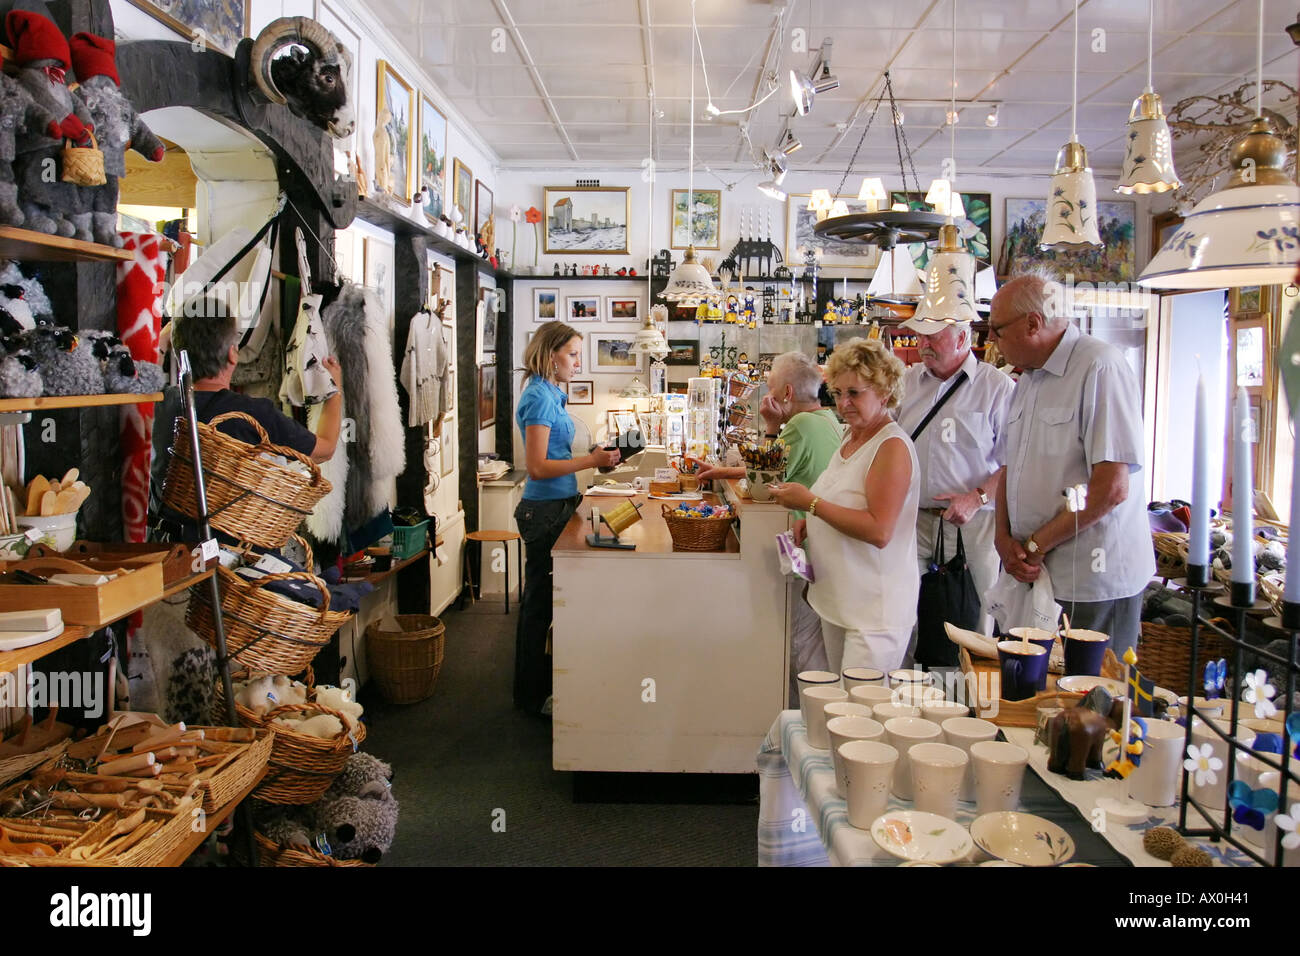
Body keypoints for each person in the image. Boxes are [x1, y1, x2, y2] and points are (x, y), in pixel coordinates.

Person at [989, 274, 1154, 657]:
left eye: (997, 330)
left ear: (1032, 323)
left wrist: (1034, 544)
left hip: (1088, 579)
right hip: (1030, 572)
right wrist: (1002, 538)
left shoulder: (1100, 367)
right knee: (1024, 696)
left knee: (1088, 702)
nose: (993, 342)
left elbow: (1110, 489)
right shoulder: (1027, 379)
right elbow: (1011, 468)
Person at [698, 352, 843, 702]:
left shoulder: (799, 426)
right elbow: (766, 468)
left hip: (799, 550)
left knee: (800, 644)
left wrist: (772, 426)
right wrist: (721, 472)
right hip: (819, 546)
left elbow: (763, 479)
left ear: (787, 393)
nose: (768, 392)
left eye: (772, 386)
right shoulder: (826, 420)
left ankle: (807, 718)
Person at [770, 339, 920, 673]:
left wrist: (811, 506)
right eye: (837, 394)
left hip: (873, 613)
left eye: (854, 393)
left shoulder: (891, 446)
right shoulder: (851, 437)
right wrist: (810, 524)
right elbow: (841, 500)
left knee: (861, 714)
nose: (844, 404)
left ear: (884, 391)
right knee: (840, 707)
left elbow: (880, 530)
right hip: (838, 600)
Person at [149, 298, 343, 532]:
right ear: (233, 354)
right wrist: (335, 390)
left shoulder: (158, 403)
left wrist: (170, 337)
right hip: (238, 550)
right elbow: (326, 449)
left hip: (168, 549)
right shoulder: (254, 414)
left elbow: (149, 367)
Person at [514, 321, 620, 716]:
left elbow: (558, 452)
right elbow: (539, 466)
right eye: (573, 354)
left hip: (557, 506)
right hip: (543, 510)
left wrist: (595, 454)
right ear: (550, 353)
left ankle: (538, 689)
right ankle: (530, 696)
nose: (578, 363)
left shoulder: (550, 395)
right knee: (540, 603)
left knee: (546, 600)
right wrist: (592, 460)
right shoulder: (541, 398)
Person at [896, 313, 1013, 643]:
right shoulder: (906, 383)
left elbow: (1015, 463)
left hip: (975, 526)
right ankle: (913, 689)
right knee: (907, 611)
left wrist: (977, 498)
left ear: (962, 339)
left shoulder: (997, 388)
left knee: (976, 618)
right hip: (914, 521)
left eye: (933, 336)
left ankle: (971, 693)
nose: (923, 343)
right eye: (921, 336)